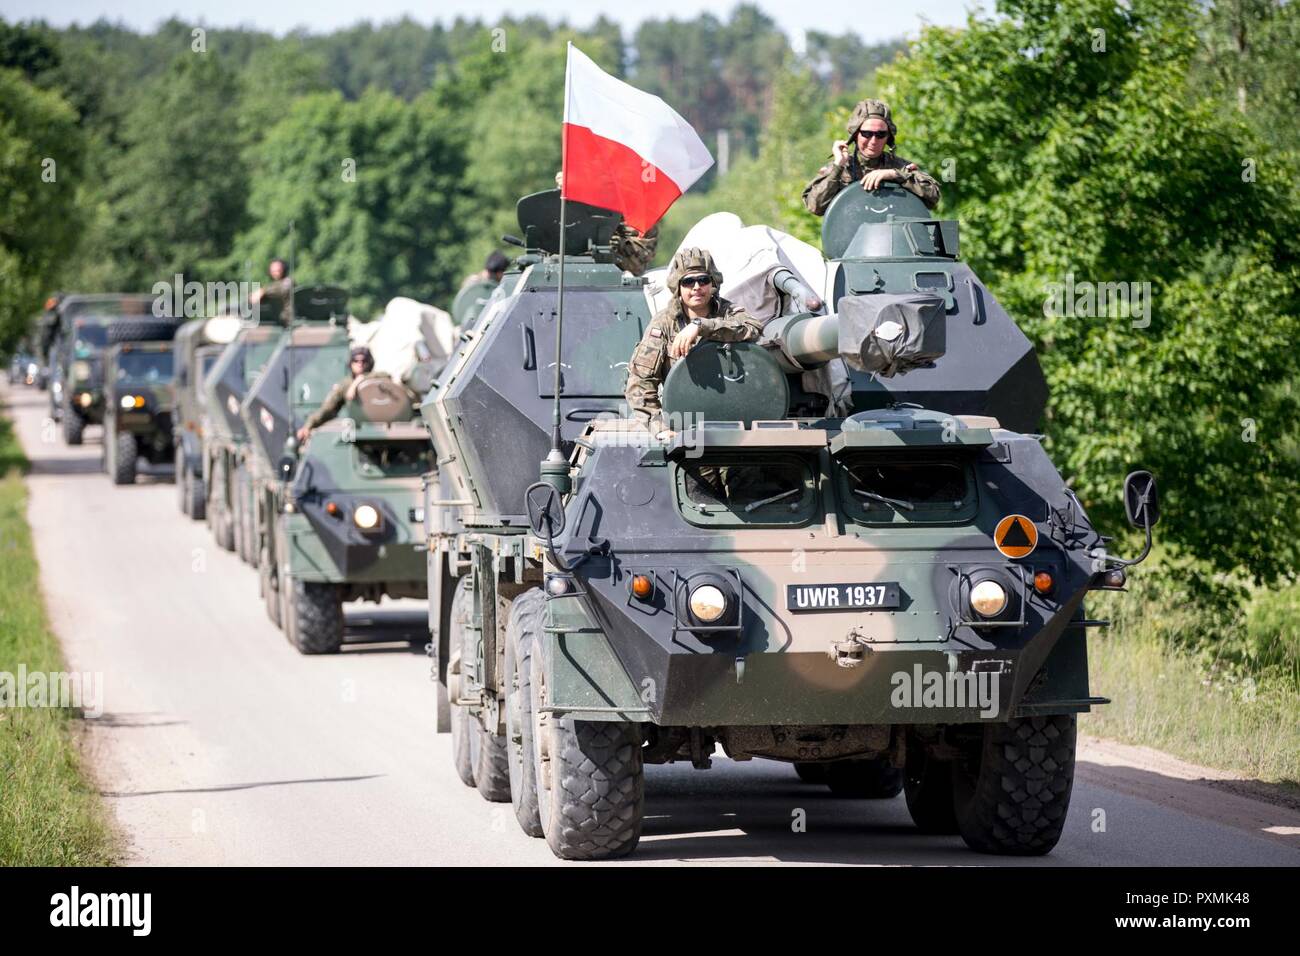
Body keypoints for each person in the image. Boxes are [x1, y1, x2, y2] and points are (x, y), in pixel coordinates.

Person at [625, 248, 764, 438]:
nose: (697, 287)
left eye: (703, 280)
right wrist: (660, 427)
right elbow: (639, 382)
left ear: (712, 284)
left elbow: (753, 327)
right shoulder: (665, 323)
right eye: (689, 281)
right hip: (685, 427)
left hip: (733, 423)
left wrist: (701, 326)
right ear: (678, 288)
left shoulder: (727, 312)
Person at [802, 99, 941, 216]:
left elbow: (933, 196)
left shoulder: (900, 168)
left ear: (888, 137)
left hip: (894, 242)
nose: (874, 141)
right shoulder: (841, 169)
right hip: (849, 243)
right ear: (856, 135)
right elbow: (815, 206)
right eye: (867, 134)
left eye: (880, 135)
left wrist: (894, 175)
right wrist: (838, 165)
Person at [555, 171, 659, 276]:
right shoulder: (579, 206)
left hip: (615, 280)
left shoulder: (639, 215)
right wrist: (567, 194)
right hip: (567, 276)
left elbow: (638, 262)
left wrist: (612, 244)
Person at [295, 346, 375, 443]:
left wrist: (359, 381)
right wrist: (308, 426)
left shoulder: (377, 380)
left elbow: (384, 375)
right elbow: (327, 409)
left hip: (377, 427)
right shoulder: (345, 385)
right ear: (351, 363)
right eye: (356, 360)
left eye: (364, 361)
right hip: (358, 430)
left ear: (369, 362)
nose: (360, 364)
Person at [249, 258, 294, 323]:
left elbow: (281, 288)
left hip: (289, 321)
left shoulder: (289, 281)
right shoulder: (273, 285)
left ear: (283, 269)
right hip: (277, 320)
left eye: (278, 269)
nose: (275, 272)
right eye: (273, 270)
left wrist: (263, 291)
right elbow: (254, 299)